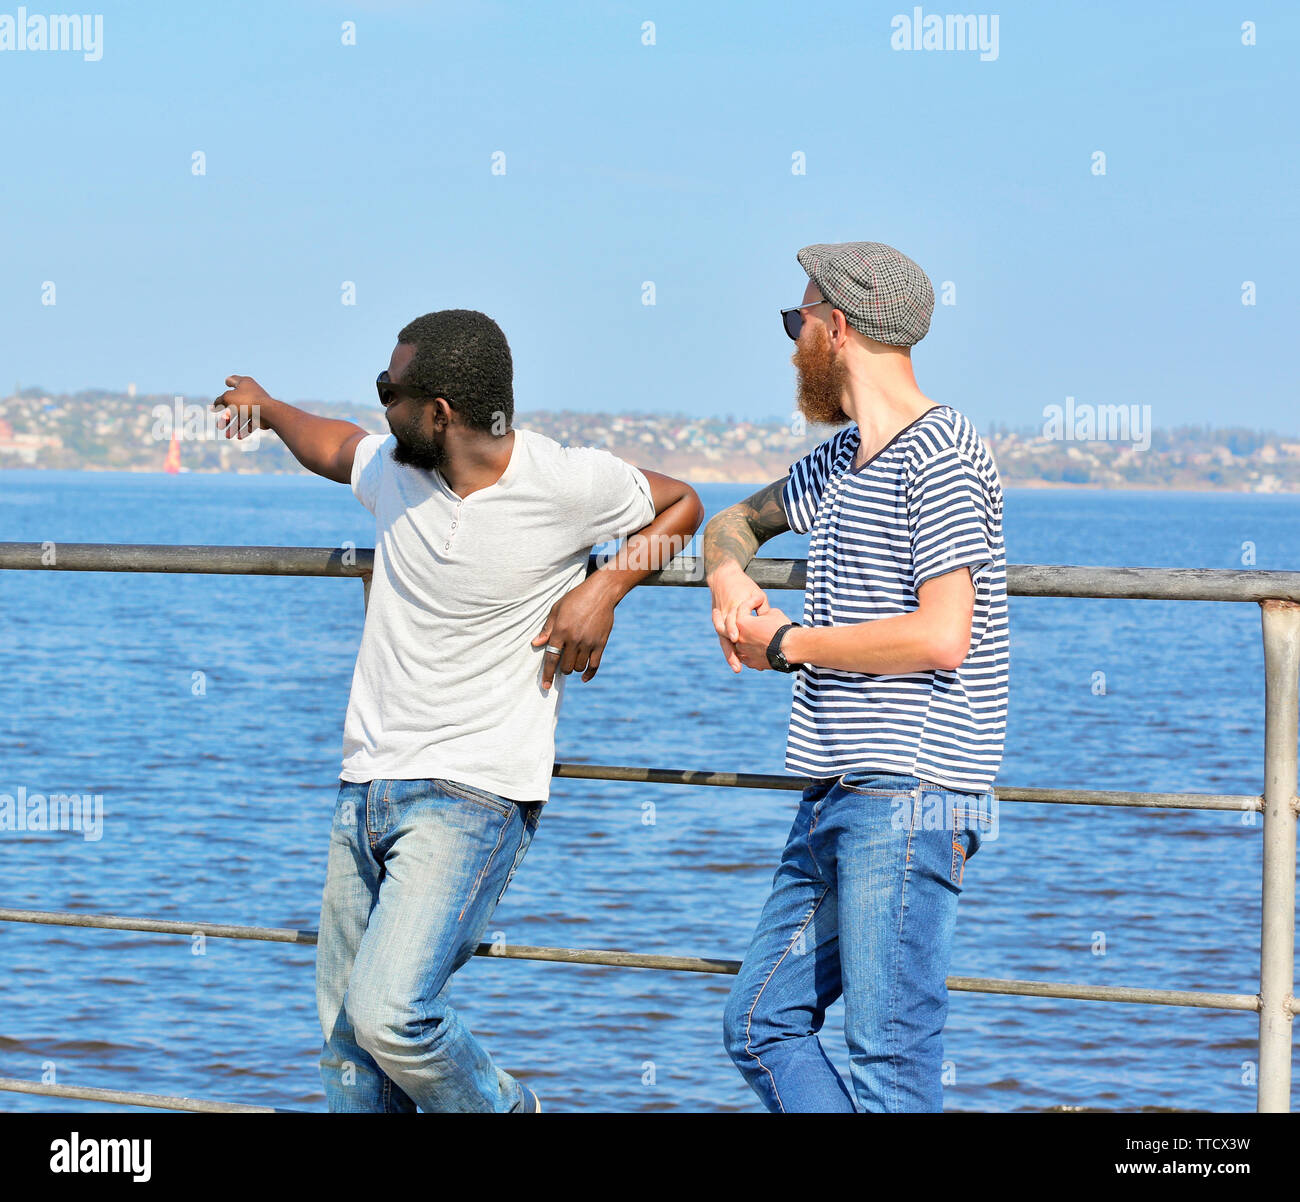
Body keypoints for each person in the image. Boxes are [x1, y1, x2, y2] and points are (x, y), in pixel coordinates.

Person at [213, 309, 703, 1112]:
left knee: (390, 1015)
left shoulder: (565, 482)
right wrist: (266, 408)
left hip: (473, 795)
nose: (380, 406)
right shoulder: (397, 472)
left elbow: (682, 504)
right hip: (365, 785)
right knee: (347, 1043)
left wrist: (604, 588)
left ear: (439, 411)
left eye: (389, 390)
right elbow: (330, 443)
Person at [703, 243, 1008, 1112]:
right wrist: (731, 581)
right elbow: (729, 524)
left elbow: (943, 636)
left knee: (890, 1066)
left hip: (910, 798)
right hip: (836, 791)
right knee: (760, 1023)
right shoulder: (839, 464)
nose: (789, 338)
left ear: (835, 330)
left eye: (794, 320)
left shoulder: (940, 453)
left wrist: (791, 642)